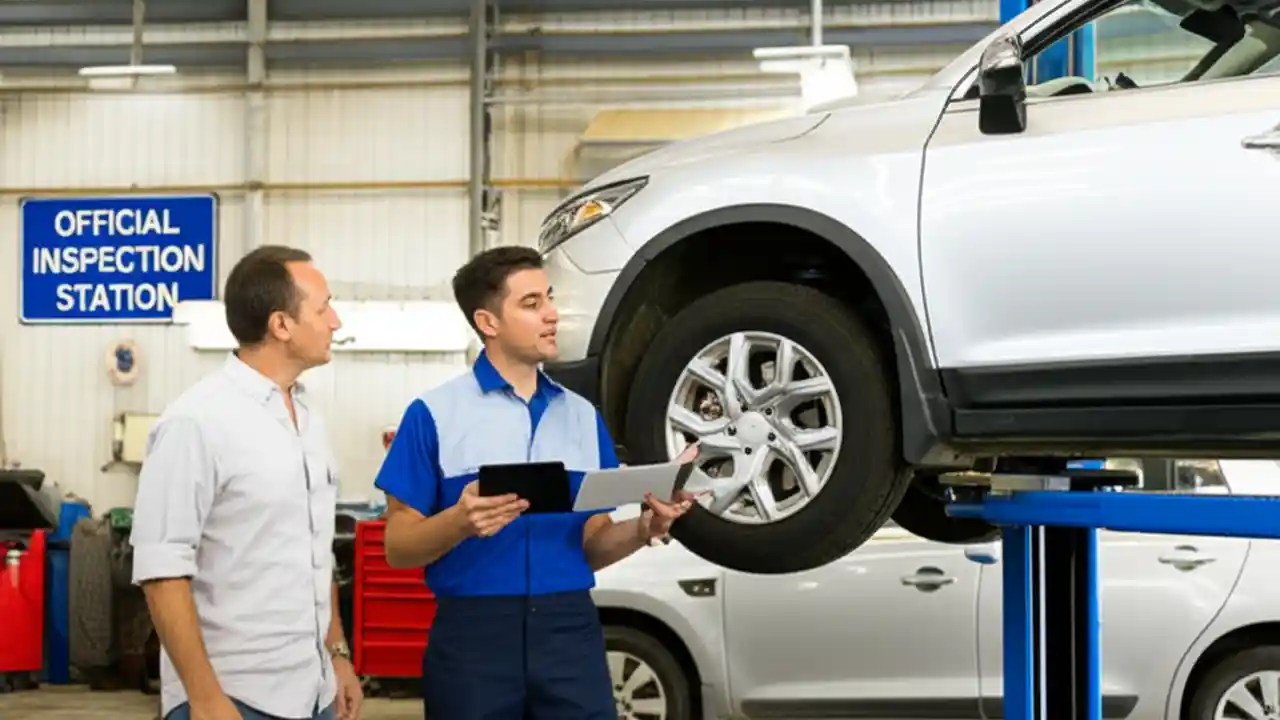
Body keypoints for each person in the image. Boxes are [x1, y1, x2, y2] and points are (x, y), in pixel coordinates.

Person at [374, 245, 697, 719]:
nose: (552, 314)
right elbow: (398, 547)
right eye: (531, 304)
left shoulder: (583, 417)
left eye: (548, 298)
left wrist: (643, 529)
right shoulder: (433, 415)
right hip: (473, 639)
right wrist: (459, 522)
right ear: (489, 322)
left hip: (569, 629)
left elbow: (592, 541)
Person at [129, 245, 364, 720]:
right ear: (281, 325)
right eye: (323, 308)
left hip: (313, 690)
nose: (335, 321)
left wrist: (336, 654)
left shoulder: (310, 416)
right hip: (233, 697)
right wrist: (205, 698)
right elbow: (161, 571)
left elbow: (314, 552)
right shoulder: (196, 422)